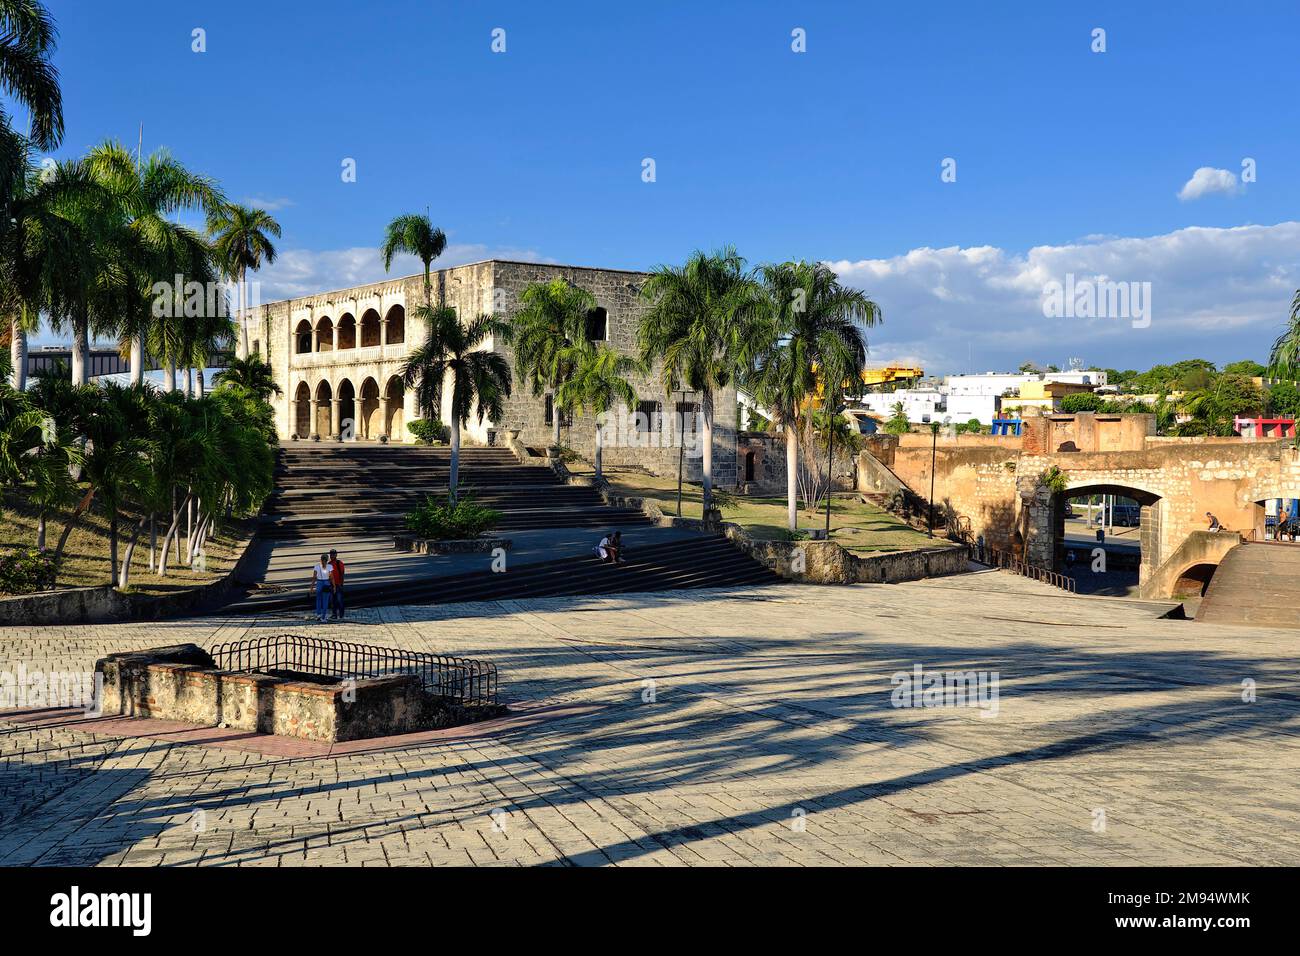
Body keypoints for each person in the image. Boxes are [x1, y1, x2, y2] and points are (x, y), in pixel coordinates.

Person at [311, 552, 333, 623]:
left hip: (319, 583)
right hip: (326, 583)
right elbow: (331, 577)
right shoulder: (329, 566)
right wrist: (334, 586)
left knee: (318, 600)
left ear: (321, 559)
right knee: (325, 601)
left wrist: (311, 587)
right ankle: (323, 617)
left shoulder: (317, 566)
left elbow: (314, 577)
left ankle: (318, 615)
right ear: (327, 559)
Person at [329, 548, 346, 619]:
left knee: (339, 600)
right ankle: (334, 614)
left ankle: (341, 614)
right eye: (331, 554)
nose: (332, 556)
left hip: (338, 584)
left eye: (333, 554)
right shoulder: (329, 564)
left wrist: (341, 584)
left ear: (336, 555)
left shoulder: (339, 563)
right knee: (333, 600)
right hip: (332, 585)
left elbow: (342, 574)